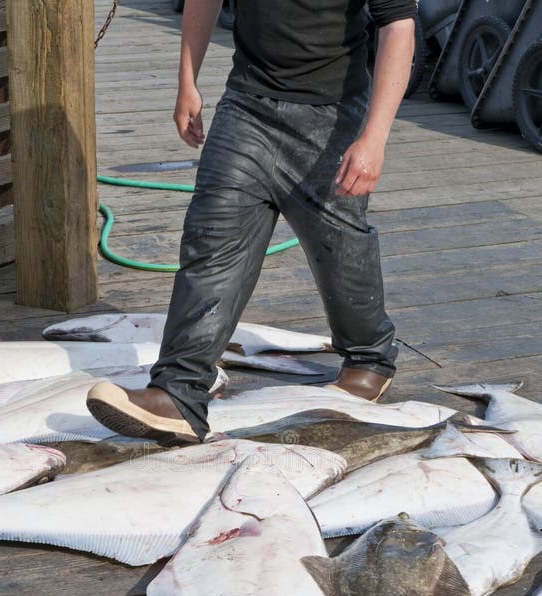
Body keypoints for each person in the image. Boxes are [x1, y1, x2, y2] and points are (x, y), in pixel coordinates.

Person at [87, 0, 417, 444]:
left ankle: (369, 357)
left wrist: (374, 138)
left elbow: (397, 25)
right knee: (211, 242)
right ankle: (178, 393)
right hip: (247, 108)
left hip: (331, 117)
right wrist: (187, 80)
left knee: (338, 247)